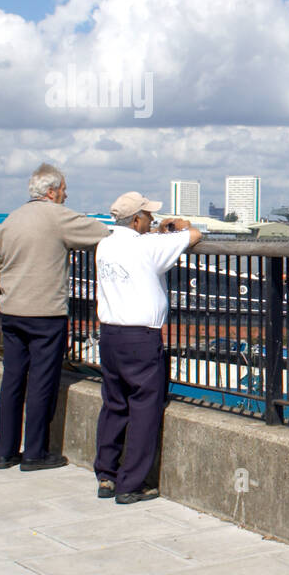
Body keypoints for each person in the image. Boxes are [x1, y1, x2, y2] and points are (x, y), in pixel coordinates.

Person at [0, 164, 111, 470]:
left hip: (12, 311)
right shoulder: (57, 215)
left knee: (13, 381)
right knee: (42, 383)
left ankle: (4, 452)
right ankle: (35, 453)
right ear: (52, 191)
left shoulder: (12, 219)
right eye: (64, 190)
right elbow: (101, 232)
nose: (66, 194)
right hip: (46, 314)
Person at [93, 193, 202, 504]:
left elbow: (141, 244)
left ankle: (106, 474)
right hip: (141, 337)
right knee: (144, 408)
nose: (152, 220)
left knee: (114, 403)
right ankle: (132, 483)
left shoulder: (106, 244)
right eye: (148, 216)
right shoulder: (147, 245)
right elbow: (194, 236)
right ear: (137, 220)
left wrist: (158, 232)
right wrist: (179, 225)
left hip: (110, 332)